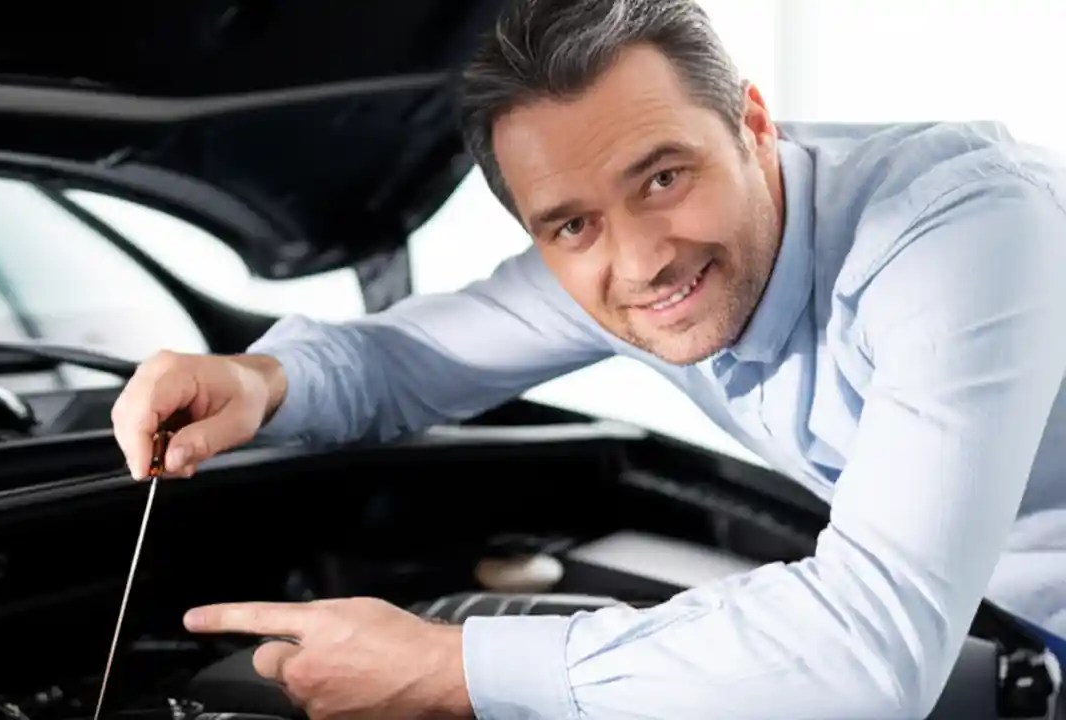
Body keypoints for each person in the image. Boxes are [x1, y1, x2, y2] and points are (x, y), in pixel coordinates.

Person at [110, 0, 1066, 716]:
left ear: (755, 124)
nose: (643, 260)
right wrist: (260, 382)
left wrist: (451, 669)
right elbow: (406, 357)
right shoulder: (611, 262)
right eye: (571, 224)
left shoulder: (960, 234)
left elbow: (868, 653)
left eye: (663, 175)